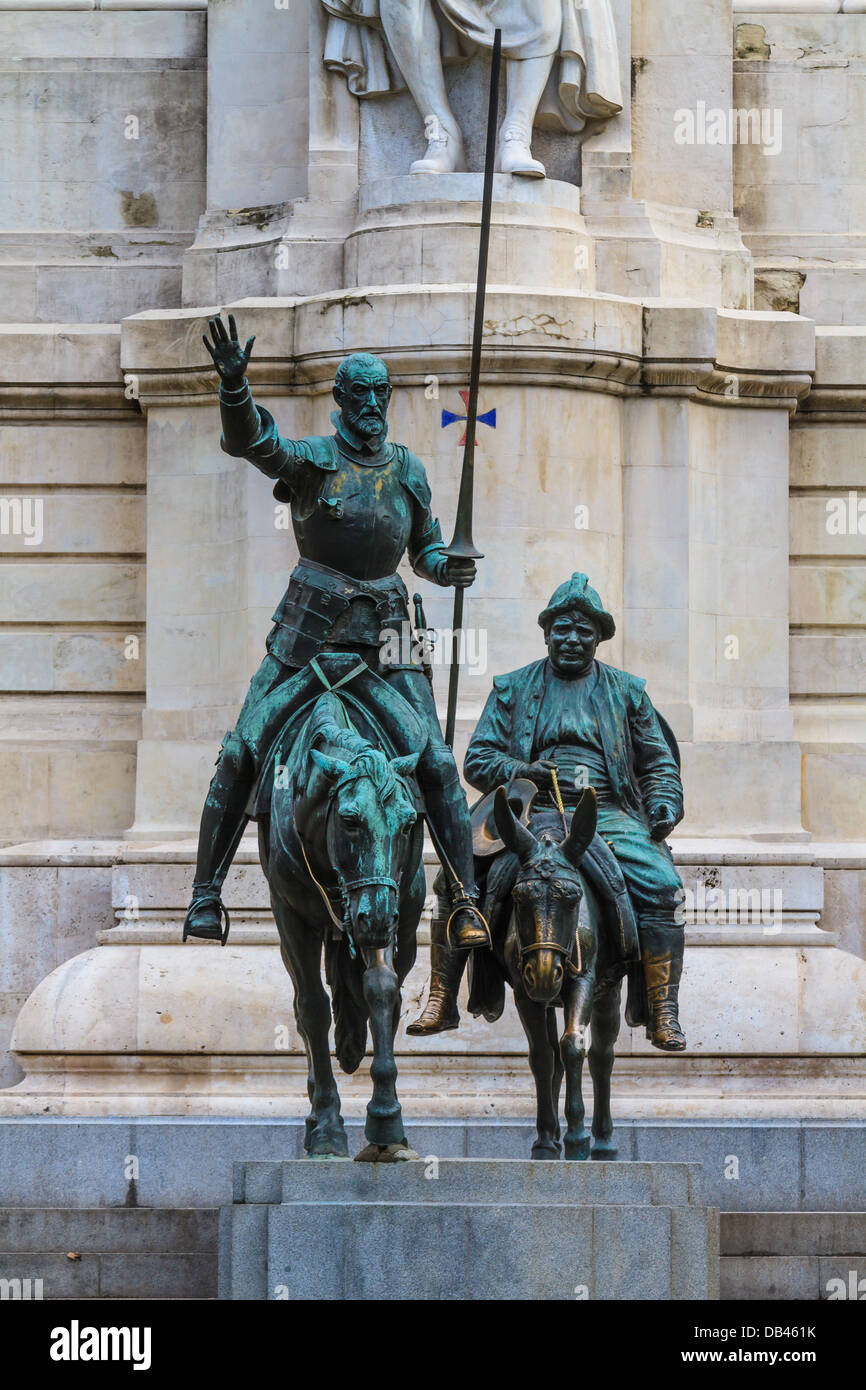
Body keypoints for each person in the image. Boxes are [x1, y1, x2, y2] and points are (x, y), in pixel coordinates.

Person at [183, 314, 490, 953]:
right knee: (241, 750)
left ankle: (463, 898)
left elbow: (424, 551)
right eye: (361, 394)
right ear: (341, 401)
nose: (374, 405)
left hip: (391, 637)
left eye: (382, 394)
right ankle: (206, 893)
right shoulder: (315, 462)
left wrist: (446, 567)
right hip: (307, 638)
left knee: (434, 760)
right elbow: (255, 444)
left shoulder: (408, 469)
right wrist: (235, 391)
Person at [408, 572, 688, 1050]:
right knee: (456, 877)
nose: (572, 639)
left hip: (607, 816)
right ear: (546, 633)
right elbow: (477, 760)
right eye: (562, 628)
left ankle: (663, 1005)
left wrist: (664, 802)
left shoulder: (628, 691)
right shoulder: (513, 688)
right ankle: (441, 996)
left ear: (598, 637)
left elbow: (658, 763)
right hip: (527, 810)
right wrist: (524, 769)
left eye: (583, 630)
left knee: (663, 886)